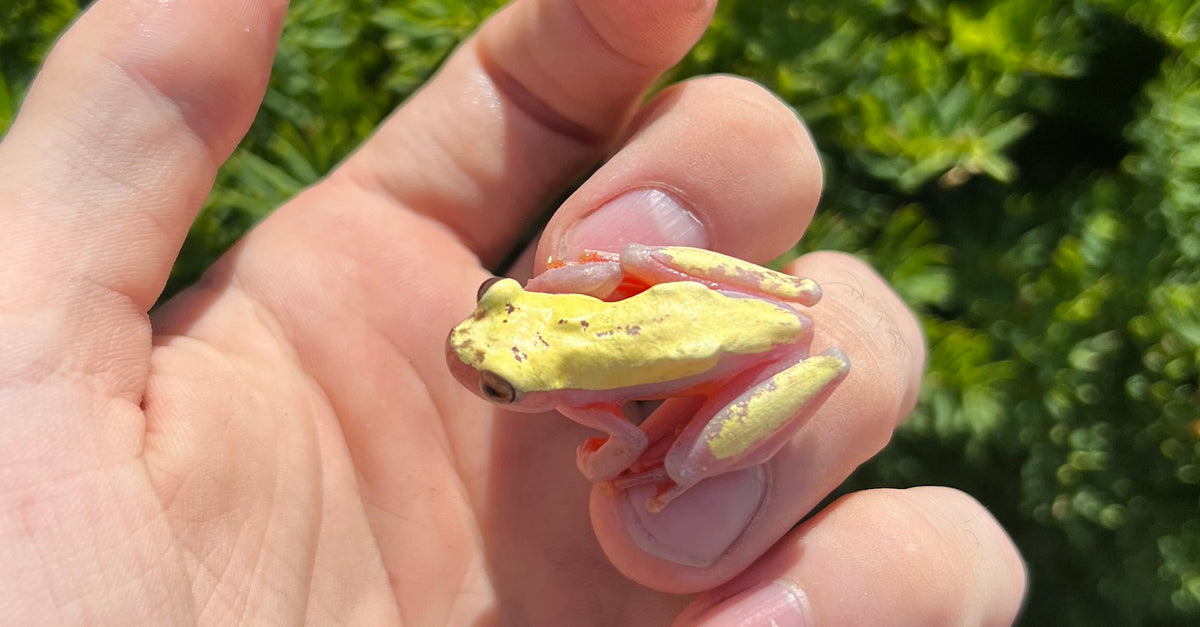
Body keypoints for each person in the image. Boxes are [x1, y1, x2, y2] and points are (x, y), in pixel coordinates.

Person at [0, 0, 1025, 623]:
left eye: (495, 379)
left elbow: (613, 440)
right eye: (497, 309)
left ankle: (710, 453)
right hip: (730, 318)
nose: (467, 353)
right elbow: (608, 368)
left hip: (739, 363)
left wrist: (629, 452)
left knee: (696, 436)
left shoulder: (577, 400)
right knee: (671, 329)